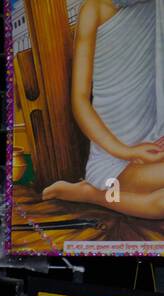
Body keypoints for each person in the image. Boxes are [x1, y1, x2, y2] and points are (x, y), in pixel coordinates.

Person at [42, 0, 164, 218]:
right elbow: (80, 100)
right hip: (114, 158)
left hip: (155, 147)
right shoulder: (94, 10)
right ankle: (91, 193)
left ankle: (92, 194)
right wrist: (127, 152)